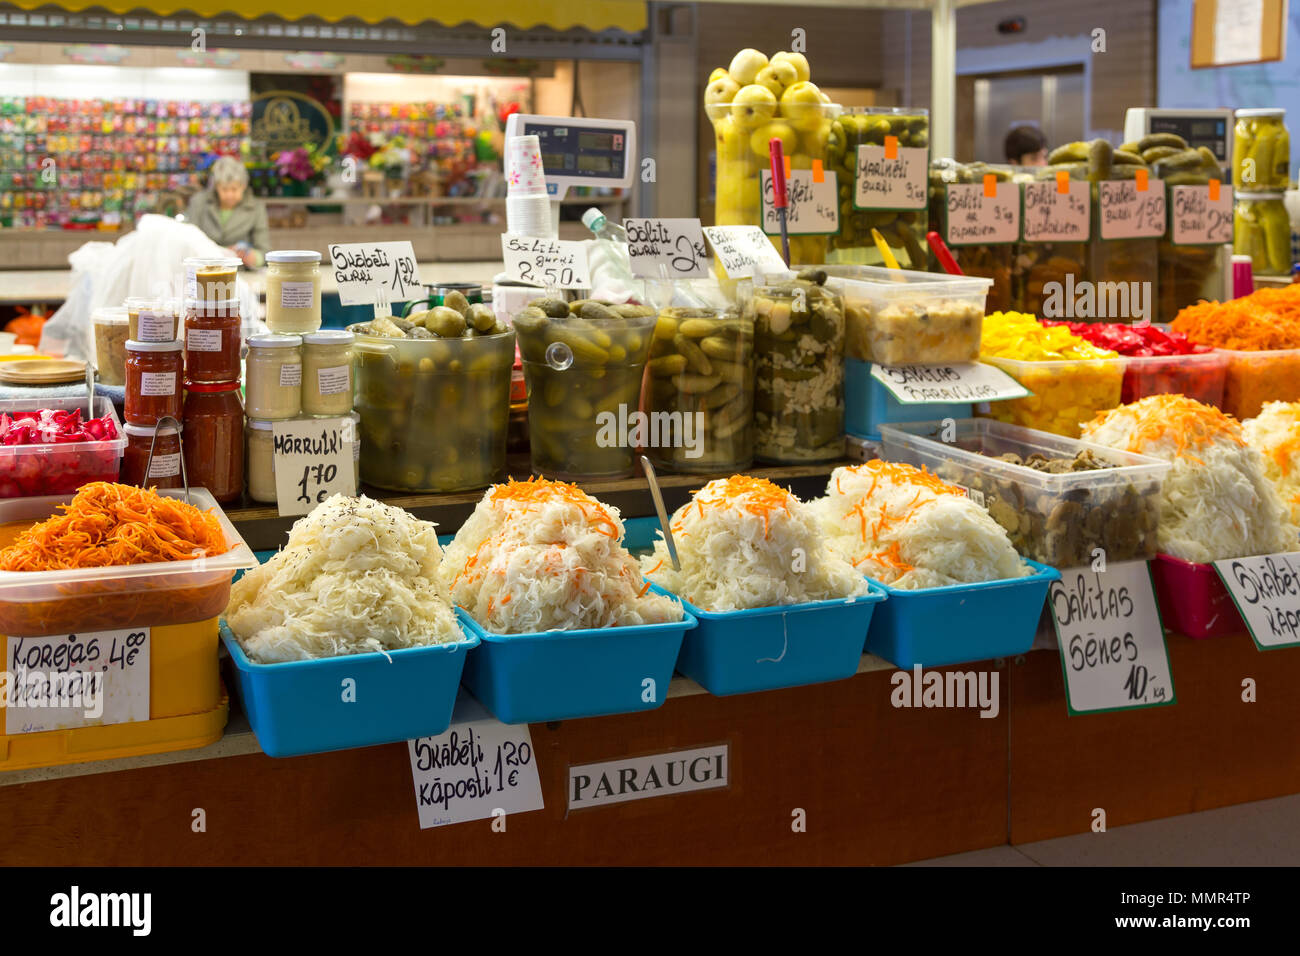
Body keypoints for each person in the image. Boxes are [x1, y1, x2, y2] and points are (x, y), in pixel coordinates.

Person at [185, 156, 271, 268]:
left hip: (241, 274)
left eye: (234, 189)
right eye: (224, 189)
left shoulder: (256, 208)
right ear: (216, 187)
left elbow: (264, 252)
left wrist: (252, 257)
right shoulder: (199, 202)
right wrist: (223, 253)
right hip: (204, 271)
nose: (229, 195)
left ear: (244, 186)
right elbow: (189, 242)